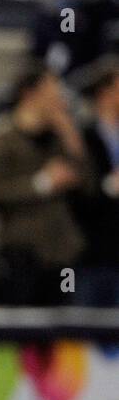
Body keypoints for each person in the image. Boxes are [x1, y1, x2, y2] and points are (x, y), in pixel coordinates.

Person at [0, 65, 92, 305]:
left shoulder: (59, 137)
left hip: (61, 252)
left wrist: (71, 137)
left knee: (63, 333)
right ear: (30, 94)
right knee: (21, 332)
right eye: (51, 91)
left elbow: (89, 185)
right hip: (20, 252)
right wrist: (42, 183)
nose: (58, 98)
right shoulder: (0, 137)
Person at [75, 60, 119, 306]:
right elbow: (79, 189)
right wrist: (109, 186)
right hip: (93, 249)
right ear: (105, 93)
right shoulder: (83, 136)